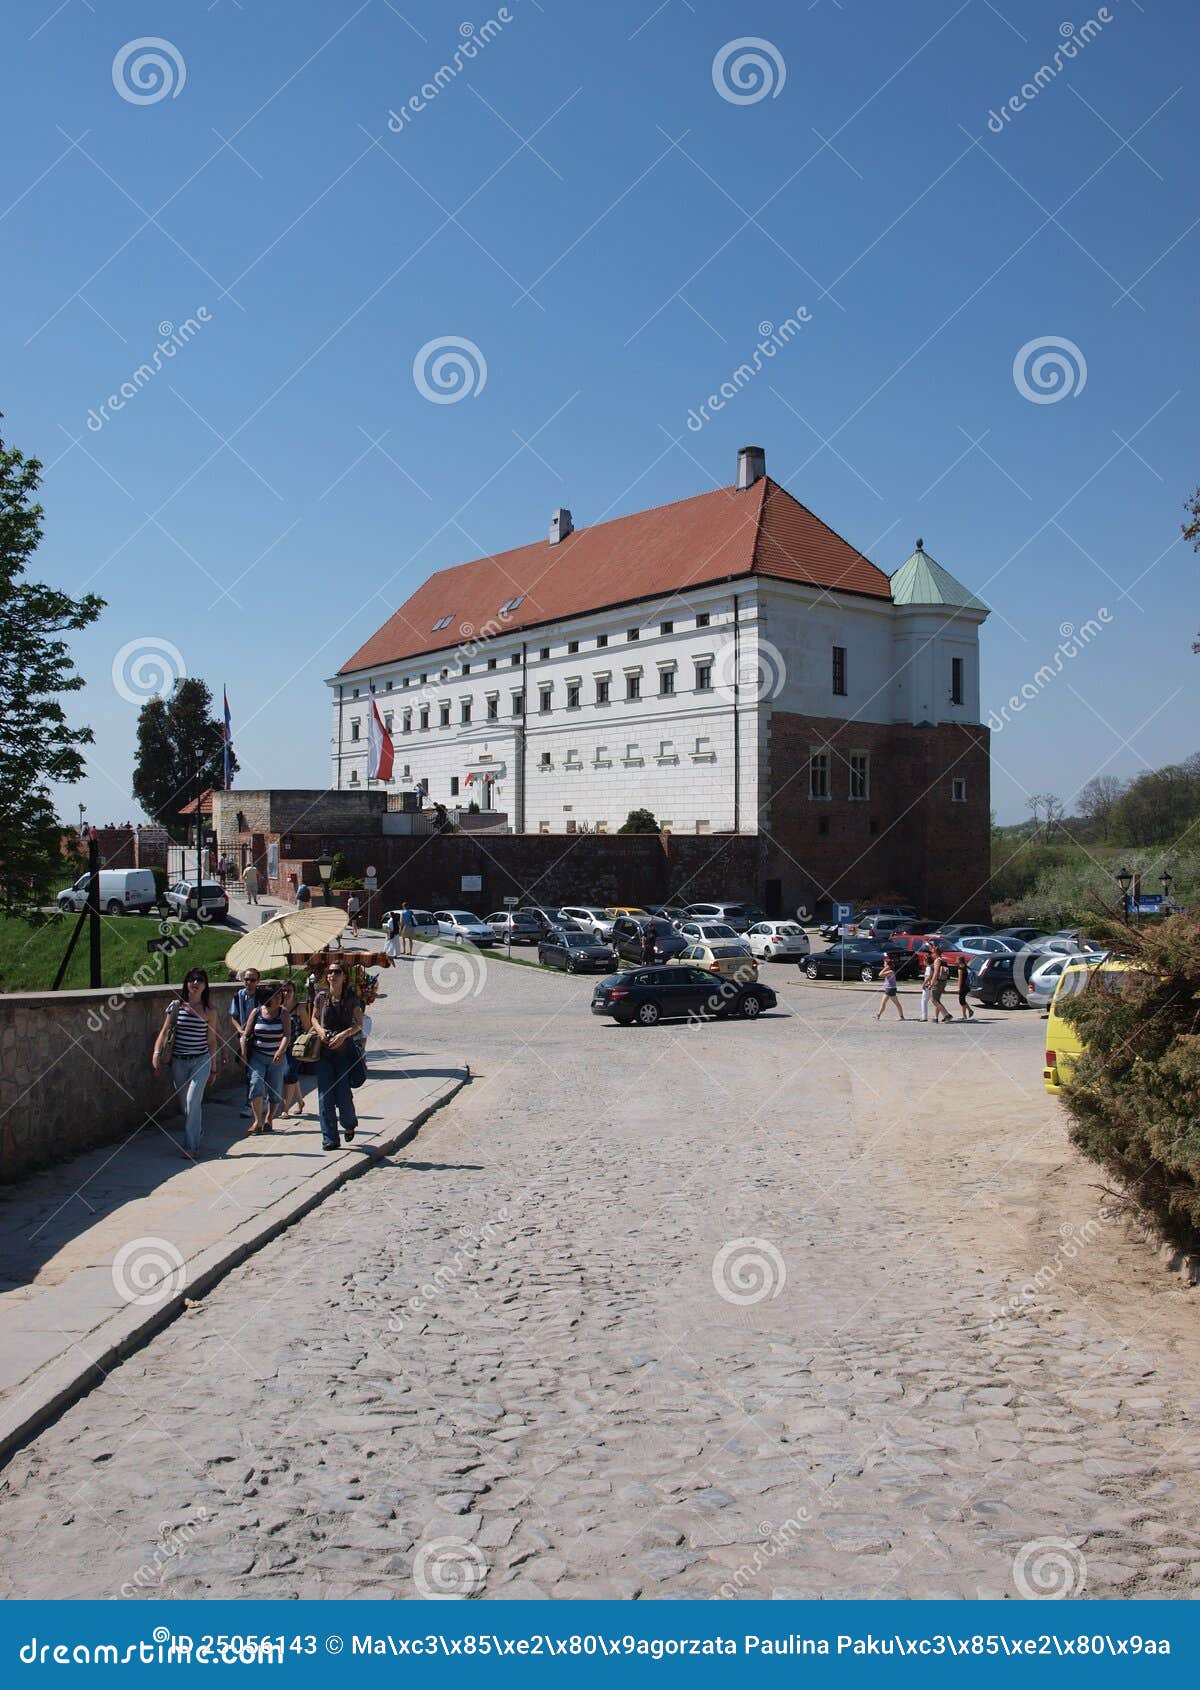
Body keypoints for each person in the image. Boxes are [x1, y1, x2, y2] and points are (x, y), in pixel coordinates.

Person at [152, 967, 221, 1160]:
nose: (195, 983)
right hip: (179, 1062)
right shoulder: (176, 1006)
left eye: (200, 980)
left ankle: (192, 1147)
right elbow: (165, 1032)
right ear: (186, 984)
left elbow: (212, 1041)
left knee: (192, 1102)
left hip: (201, 1060)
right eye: (192, 979)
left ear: (206, 985)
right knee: (185, 1105)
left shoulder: (210, 1010)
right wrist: (156, 1053)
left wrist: (214, 1067)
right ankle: (196, 1131)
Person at [312, 962, 363, 1151]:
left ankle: (349, 1124)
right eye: (330, 972)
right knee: (325, 1097)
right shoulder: (321, 997)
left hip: (343, 1053)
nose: (333, 975)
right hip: (324, 1052)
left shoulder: (351, 998)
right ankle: (330, 1138)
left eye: (337, 972)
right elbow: (314, 1018)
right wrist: (320, 1031)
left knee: (343, 1095)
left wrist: (343, 1035)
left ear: (344, 976)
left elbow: (359, 1024)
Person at [241, 980, 290, 1134]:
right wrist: (243, 1054)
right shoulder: (256, 1012)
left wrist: (280, 1051)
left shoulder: (283, 1013)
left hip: (277, 1058)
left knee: (274, 1091)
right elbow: (246, 1035)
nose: (276, 1000)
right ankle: (257, 1121)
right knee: (256, 1085)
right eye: (273, 997)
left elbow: (286, 1035)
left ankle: (269, 1118)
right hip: (258, 1056)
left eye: (278, 996)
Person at [229, 967, 261, 1118]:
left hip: (260, 1037)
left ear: (258, 981)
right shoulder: (238, 996)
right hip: (244, 1038)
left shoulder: (262, 996)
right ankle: (252, 1102)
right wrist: (241, 1031)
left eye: (252, 980)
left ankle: (253, 1102)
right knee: (248, 1070)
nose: (249, 983)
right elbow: (233, 1016)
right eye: (246, 979)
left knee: (256, 1071)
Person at [280, 981, 308, 1116]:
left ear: (294, 992)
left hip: (296, 1048)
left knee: (288, 1074)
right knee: (292, 1076)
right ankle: (300, 1102)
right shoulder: (278, 1009)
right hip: (281, 1047)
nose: (286, 993)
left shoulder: (299, 1009)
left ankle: (285, 1109)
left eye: (289, 990)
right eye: (283, 990)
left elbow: (308, 1028)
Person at [930, 948, 953, 1024]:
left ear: (936, 953)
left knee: (934, 1000)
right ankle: (936, 1017)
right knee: (938, 1000)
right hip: (943, 981)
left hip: (938, 982)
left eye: (932, 952)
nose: (931, 954)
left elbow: (936, 973)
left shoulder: (937, 960)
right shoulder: (943, 960)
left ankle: (947, 1015)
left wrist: (932, 983)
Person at [919, 951, 933, 1022]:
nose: (923, 962)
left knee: (923, 1001)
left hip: (927, 986)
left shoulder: (928, 968)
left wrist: (924, 984)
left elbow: (928, 977)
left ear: (926, 961)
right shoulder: (931, 967)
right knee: (926, 1001)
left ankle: (924, 1017)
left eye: (924, 960)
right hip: (930, 986)